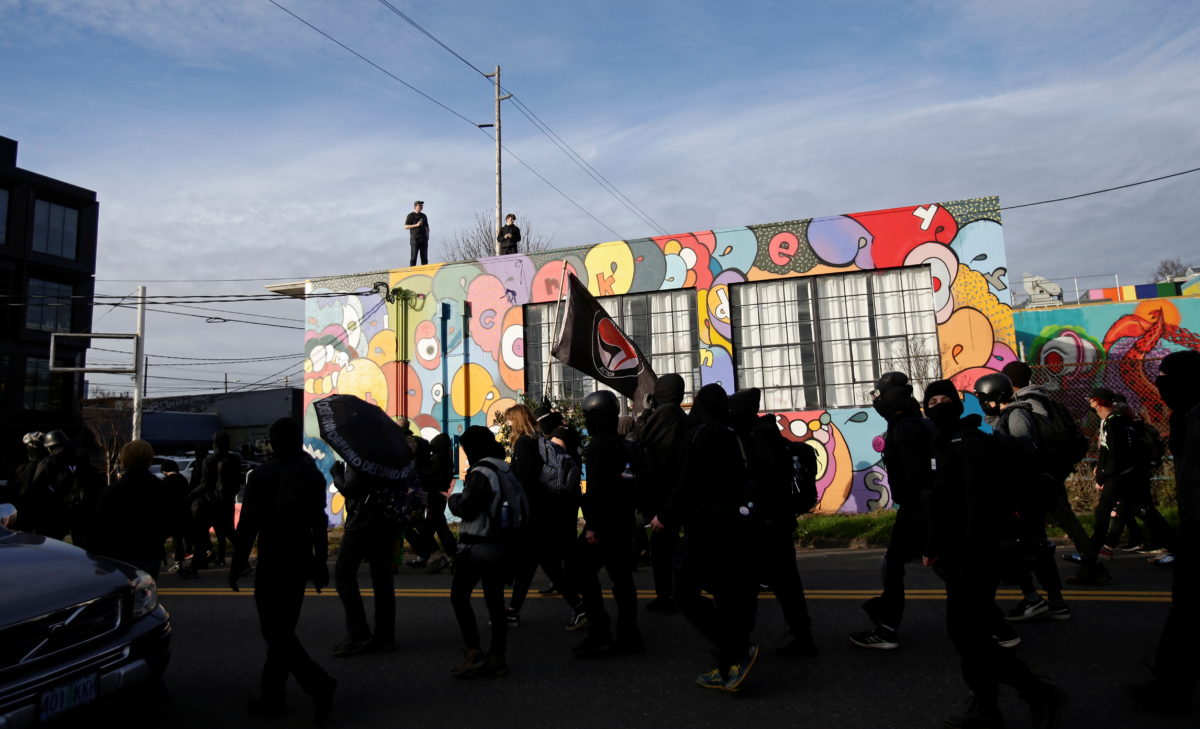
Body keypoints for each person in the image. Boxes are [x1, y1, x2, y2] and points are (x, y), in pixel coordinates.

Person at [920, 380, 1068, 729]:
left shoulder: (968, 444)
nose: (937, 405)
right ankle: (987, 707)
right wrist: (933, 546)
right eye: (932, 400)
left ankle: (1036, 692)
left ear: (957, 404)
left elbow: (976, 507)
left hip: (974, 554)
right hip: (958, 554)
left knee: (965, 634)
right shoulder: (943, 443)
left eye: (944, 399)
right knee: (970, 633)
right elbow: (943, 504)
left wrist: (964, 555)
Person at [653, 383, 759, 693]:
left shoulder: (698, 434)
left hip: (705, 528)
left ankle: (735, 648)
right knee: (725, 592)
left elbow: (688, 483)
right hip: (734, 528)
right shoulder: (730, 434)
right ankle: (729, 659)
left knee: (684, 591)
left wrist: (665, 515)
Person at [229, 417, 336, 723]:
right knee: (283, 630)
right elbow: (319, 524)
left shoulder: (262, 475)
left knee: (275, 633)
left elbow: (247, 525)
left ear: (274, 443)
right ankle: (273, 697)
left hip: (274, 559)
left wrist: (237, 564)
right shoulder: (312, 474)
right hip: (300, 559)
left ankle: (318, 683)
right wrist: (319, 563)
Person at [1122, 349, 1200, 714]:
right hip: (1192, 527)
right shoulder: (1186, 416)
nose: (1159, 383)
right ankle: (1172, 682)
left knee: (1185, 613)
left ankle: (1172, 686)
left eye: (1167, 377)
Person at [1001, 362, 1110, 585]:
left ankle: (1091, 567)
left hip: (1043, 473)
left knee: (1058, 520)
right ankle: (1087, 567)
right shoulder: (1045, 398)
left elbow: (1031, 439)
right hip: (1052, 470)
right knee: (1057, 520)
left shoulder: (1027, 404)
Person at [974, 372, 1072, 622]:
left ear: (994, 396)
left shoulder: (1016, 415)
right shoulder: (1009, 415)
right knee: (1028, 547)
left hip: (1023, 493)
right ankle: (1048, 601)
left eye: (982, 397)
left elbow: (1023, 449)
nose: (981, 402)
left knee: (1024, 547)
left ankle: (1039, 600)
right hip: (1024, 491)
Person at [729, 387, 818, 657]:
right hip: (776, 522)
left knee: (748, 586)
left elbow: (763, 481)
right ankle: (801, 635)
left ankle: (739, 643)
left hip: (765, 524)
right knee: (785, 582)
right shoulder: (767, 433)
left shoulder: (756, 438)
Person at [849, 372, 934, 650]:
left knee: (895, 564)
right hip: (921, 509)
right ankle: (994, 625)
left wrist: (926, 519)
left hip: (917, 511)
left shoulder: (905, 427)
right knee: (946, 567)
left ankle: (886, 629)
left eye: (879, 394)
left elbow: (920, 479)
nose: (876, 400)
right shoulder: (911, 422)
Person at [569, 390, 643, 657]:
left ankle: (600, 632)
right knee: (623, 580)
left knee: (580, 571)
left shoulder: (599, 446)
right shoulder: (625, 445)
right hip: (623, 523)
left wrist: (592, 526)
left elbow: (599, 490)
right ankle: (629, 634)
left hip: (604, 526)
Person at [446, 426, 519, 678]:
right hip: (502, 544)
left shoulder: (482, 472)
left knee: (459, 596)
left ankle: (473, 652)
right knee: (495, 602)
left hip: (478, 544)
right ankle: (498, 656)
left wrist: (451, 499)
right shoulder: (504, 468)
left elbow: (466, 507)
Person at [506, 403, 585, 628]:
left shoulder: (523, 443)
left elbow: (525, 483)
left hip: (534, 515)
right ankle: (512, 611)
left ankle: (580, 608)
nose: (508, 424)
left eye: (510, 419)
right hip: (546, 511)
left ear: (517, 420)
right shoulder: (538, 440)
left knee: (545, 564)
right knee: (531, 564)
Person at [330, 455, 402, 657]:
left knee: (344, 575)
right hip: (385, 522)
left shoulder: (360, 457)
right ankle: (385, 636)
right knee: (382, 580)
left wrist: (337, 474)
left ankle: (359, 635)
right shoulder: (390, 457)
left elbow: (349, 488)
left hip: (362, 522)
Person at [635, 373, 689, 613]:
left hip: (663, 493)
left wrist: (645, 413)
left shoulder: (665, 414)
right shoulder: (680, 415)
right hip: (677, 491)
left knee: (662, 549)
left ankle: (667, 597)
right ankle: (678, 593)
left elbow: (640, 438)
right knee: (674, 546)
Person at [94, 440, 174, 579]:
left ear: (124, 461)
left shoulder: (113, 491)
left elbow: (99, 526)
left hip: (119, 555)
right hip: (151, 553)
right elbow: (170, 522)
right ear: (149, 460)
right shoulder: (161, 489)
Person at [200, 431, 242, 568]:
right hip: (228, 499)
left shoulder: (209, 460)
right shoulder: (235, 459)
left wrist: (192, 494)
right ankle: (228, 556)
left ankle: (215, 555)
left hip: (212, 500)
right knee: (227, 530)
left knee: (208, 529)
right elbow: (237, 481)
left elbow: (206, 483)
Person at [160, 459, 193, 572]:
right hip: (184, 511)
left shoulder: (166, 481)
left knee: (170, 538)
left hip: (171, 513)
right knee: (181, 537)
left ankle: (167, 559)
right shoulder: (183, 479)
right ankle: (182, 559)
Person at [405, 200, 430, 266]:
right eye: (419, 205)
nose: (421, 207)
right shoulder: (410, 215)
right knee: (413, 257)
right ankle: (412, 273)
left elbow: (427, 227)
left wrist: (427, 237)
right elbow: (406, 226)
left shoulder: (424, 216)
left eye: (422, 205)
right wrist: (416, 225)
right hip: (415, 239)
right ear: (415, 206)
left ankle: (425, 273)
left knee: (424, 258)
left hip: (424, 239)